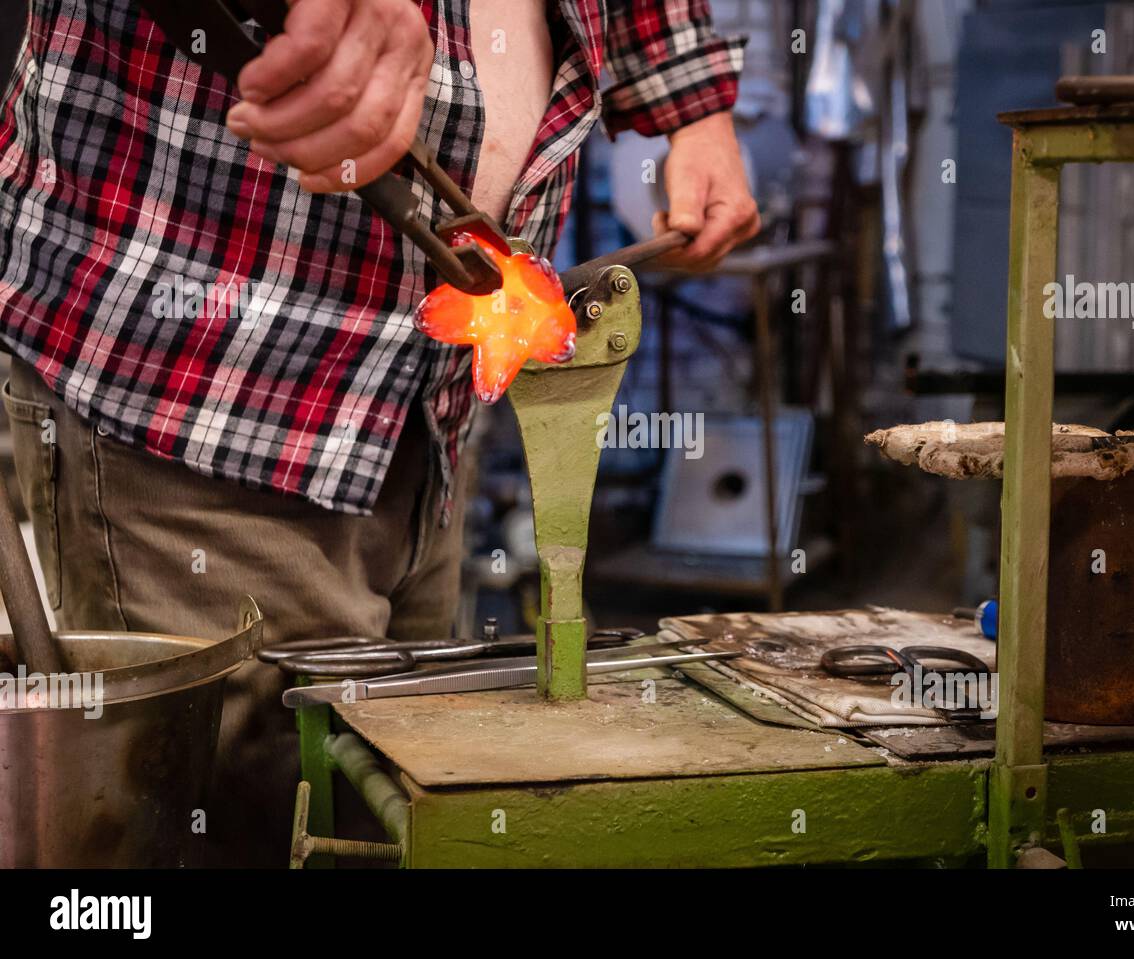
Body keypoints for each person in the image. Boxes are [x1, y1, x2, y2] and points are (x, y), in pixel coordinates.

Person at [0, 0, 759, 865]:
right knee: (243, 826)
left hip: (426, 414)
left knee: (377, 815)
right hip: (204, 388)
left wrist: (693, 106)